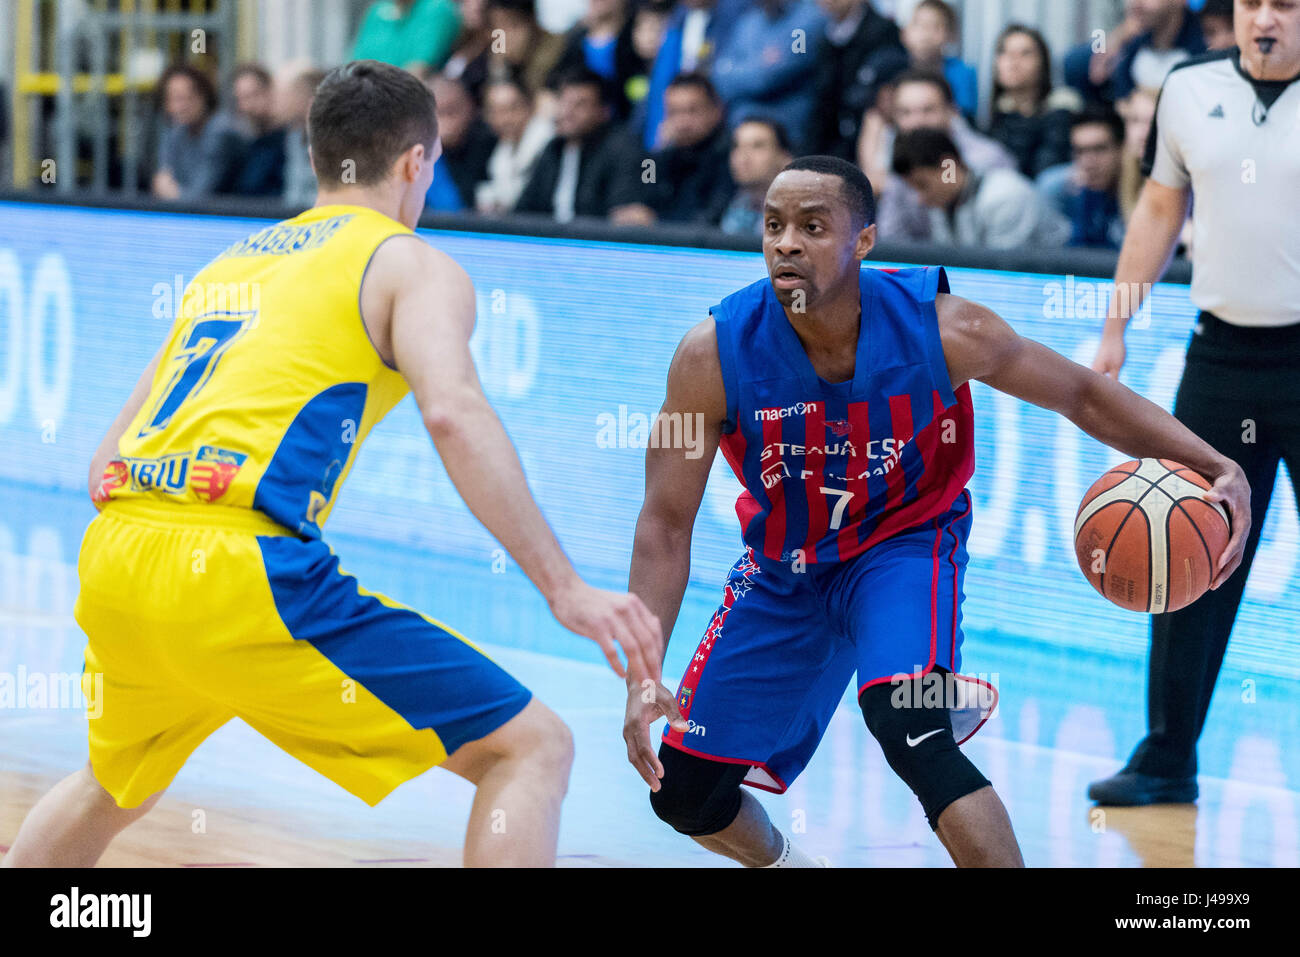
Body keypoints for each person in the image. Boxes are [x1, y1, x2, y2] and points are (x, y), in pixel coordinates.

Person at [0, 60, 662, 869]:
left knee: (114, 781)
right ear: (417, 162)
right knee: (533, 748)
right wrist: (565, 586)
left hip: (119, 556)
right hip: (239, 569)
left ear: (318, 154)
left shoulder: (231, 264)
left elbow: (105, 460)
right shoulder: (408, 261)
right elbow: (453, 412)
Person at [622, 154, 1249, 868]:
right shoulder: (713, 353)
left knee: (913, 727)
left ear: (863, 241)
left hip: (903, 545)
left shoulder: (947, 330)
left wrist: (1214, 462)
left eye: (812, 225)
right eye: (773, 225)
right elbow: (664, 525)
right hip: (784, 569)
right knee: (684, 793)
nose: (786, 242)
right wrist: (644, 674)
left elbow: (1082, 393)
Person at [1089, 0, 1300, 807]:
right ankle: (1167, 758)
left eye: (1284, 4)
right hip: (1220, 355)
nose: (1265, 18)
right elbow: (1156, 208)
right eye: (1252, 3)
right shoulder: (1187, 88)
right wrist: (1115, 326)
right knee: (1190, 556)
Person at [858, 69, 1016, 242]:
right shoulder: (898, 158)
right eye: (906, 113)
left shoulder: (987, 159)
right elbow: (893, 236)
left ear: (952, 111)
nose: (917, 122)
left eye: (928, 110)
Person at [892, 127, 1070, 250]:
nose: (919, 199)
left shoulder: (1006, 196)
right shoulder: (942, 204)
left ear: (948, 167)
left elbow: (1004, 272)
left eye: (923, 185)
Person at [514, 67, 644, 221]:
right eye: (564, 102)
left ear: (603, 111)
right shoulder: (554, 148)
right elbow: (524, 209)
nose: (567, 112)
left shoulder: (623, 150)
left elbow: (619, 216)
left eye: (580, 105)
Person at [710, 0, 827, 152]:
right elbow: (719, 75)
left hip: (788, 136)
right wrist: (760, 65)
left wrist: (740, 70)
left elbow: (770, 77)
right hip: (740, 129)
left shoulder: (809, 19)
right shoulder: (748, 22)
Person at [813, 0, 908, 159]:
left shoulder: (884, 31)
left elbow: (880, 97)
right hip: (835, 139)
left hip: (873, 134)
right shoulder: (823, 37)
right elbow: (822, 101)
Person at [988, 24, 1083, 180]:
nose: (1013, 62)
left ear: (1043, 63)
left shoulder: (1062, 106)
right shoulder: (998, 112)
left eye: (1025, 54)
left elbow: (1046, 169)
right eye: (1005, 53)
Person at [641, 72, 734, 225]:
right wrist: (655, 154)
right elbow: (645, 194)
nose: (682, 122)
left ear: (717, 110)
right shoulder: (658, 159)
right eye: (674, 112)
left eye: (692, 111)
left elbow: (711, 219)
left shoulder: (731, 157)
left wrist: (657, 222)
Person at [151, 64, 245, 200]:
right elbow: (162, 180)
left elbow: (199, 197)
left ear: (203, 96)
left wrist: (173, 193)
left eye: (185, 98)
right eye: (172, 99)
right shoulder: (176, 130)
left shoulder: (221, 132)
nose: (178, 107)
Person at [1040, 106, 1127, 250]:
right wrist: (1085, 200)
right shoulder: (1059, 188)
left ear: (1121, 149)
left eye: (1099, 149)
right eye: (1079, 151)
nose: (1088, 163)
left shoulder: (1142, 190)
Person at [547, 0, 645, 120]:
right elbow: (555, 82)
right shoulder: (575, 38)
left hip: (625, 121)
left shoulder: (637, 37)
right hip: (584, 122)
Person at [476, 76, 555, 212]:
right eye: (495, 112)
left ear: (530, 106)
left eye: (512, 109)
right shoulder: (501, 151)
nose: (504, 119)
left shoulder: (550, 144)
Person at [426, 73, 497, 207]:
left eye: (451, 111)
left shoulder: (493, 145)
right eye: (438, 113)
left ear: (471, 107)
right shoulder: (419, 154)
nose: (445, 121)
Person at [900, 0, 978, 120]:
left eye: (935, 27)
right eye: (919, 24)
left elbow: (961, 116)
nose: (925, 34)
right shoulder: (893, 68)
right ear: (904, 33)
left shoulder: (962, 73)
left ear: (950, 34)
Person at [718, 117, 793, 236]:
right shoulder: (729, 201)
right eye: (737, 146)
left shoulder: (801, 212)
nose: (743, 157)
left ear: (785, 157)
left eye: (757, 146)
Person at [351, 0, 463, 74]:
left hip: (404, 100)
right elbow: (353, 64)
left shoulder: (437, 8)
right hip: (366, 96)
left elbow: (418, 70)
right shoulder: (377, 11)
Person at [230, 63, 288, 197]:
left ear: (270, 91)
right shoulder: (246, 143)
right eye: (240, 99)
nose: (246, 106)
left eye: (253, 95)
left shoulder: (289, 140)